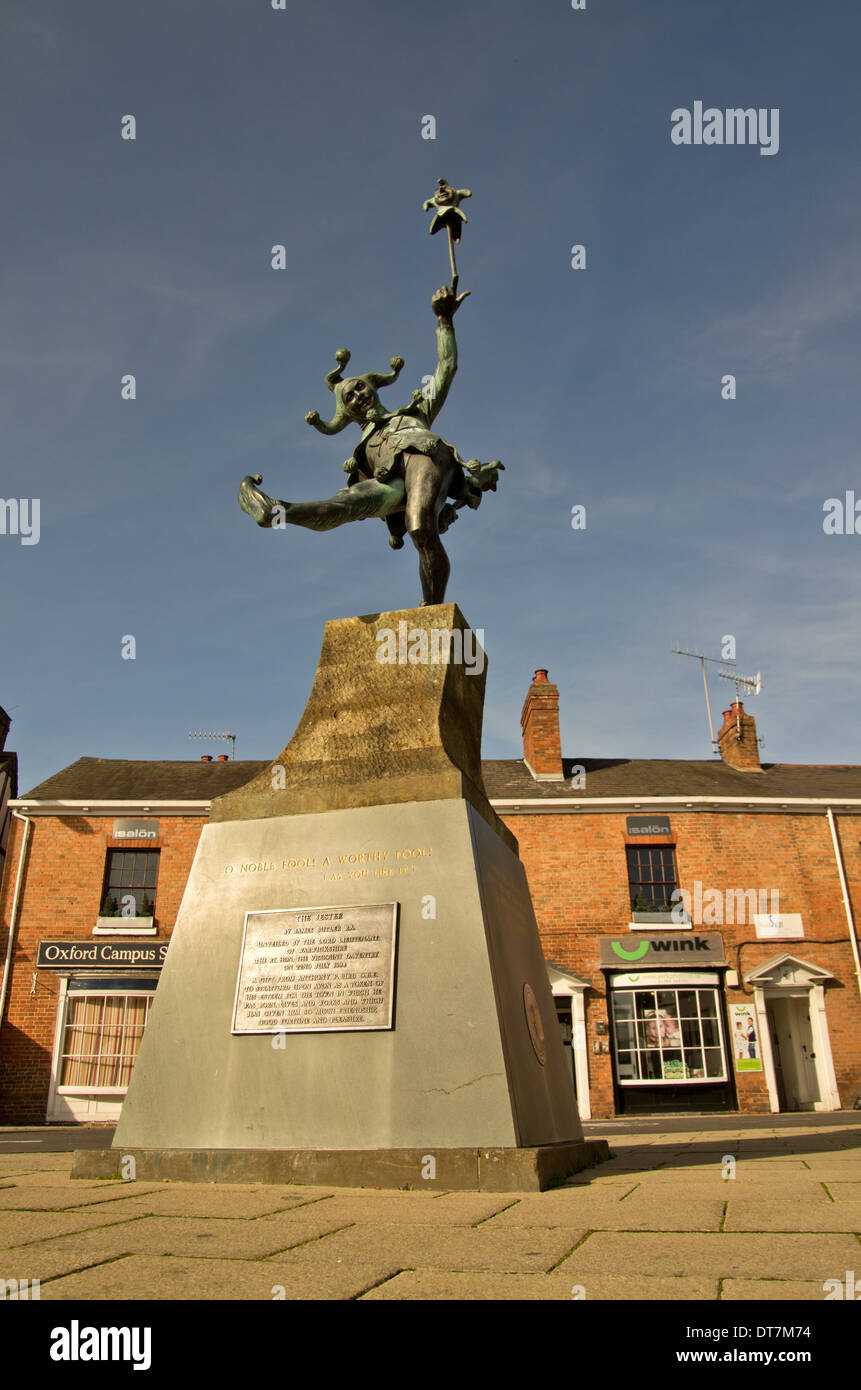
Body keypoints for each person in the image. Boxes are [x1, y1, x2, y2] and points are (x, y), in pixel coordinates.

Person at [238, 285, 502, 606]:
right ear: (346, 412)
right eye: (349, 397)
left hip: (424, 458)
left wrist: (444, 320)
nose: (357, 395)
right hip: (388, 481)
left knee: (419, 527)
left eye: (359, 388)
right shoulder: (363, 455)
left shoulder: (415, 413)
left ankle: (432, 608)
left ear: (372, 389)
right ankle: (275, 512)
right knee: (345, 505)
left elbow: (446, 369)